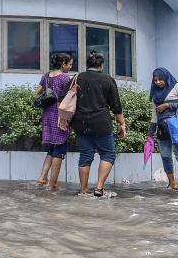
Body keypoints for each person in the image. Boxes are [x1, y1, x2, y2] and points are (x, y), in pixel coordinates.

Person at [65, 50, 127, 197]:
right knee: (108, 154)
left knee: (86, 155)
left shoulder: (77, 78)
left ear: (88, 64)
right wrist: (122, 123)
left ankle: (84, 189)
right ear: (101, 65)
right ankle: (99, 187)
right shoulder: (107, 79)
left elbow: (64, 98)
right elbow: (115, 105)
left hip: (81, 123)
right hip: (101, 123)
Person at [148, 68, 178, 192]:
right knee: (165, 156)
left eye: (160, 79)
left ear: (166, 77)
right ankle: (172, 183)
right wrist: (150, 133)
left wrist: (168, 105)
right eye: (155, 80)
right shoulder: (156, 92)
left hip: (177, 127)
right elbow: (154, 113)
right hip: (162, 128)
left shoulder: (177, 87)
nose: (158, 82)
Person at [36, 53, 74, 190]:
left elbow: (37, 94)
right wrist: (64, 118)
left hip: (47, 115)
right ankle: (53, 184)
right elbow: (66, 99)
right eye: (69, 64)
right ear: (63, 64)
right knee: (59, 149)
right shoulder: (65, 78)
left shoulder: (45, 76)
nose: (70, 67)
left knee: (51, 148)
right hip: (59, 116)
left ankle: (42, 178)